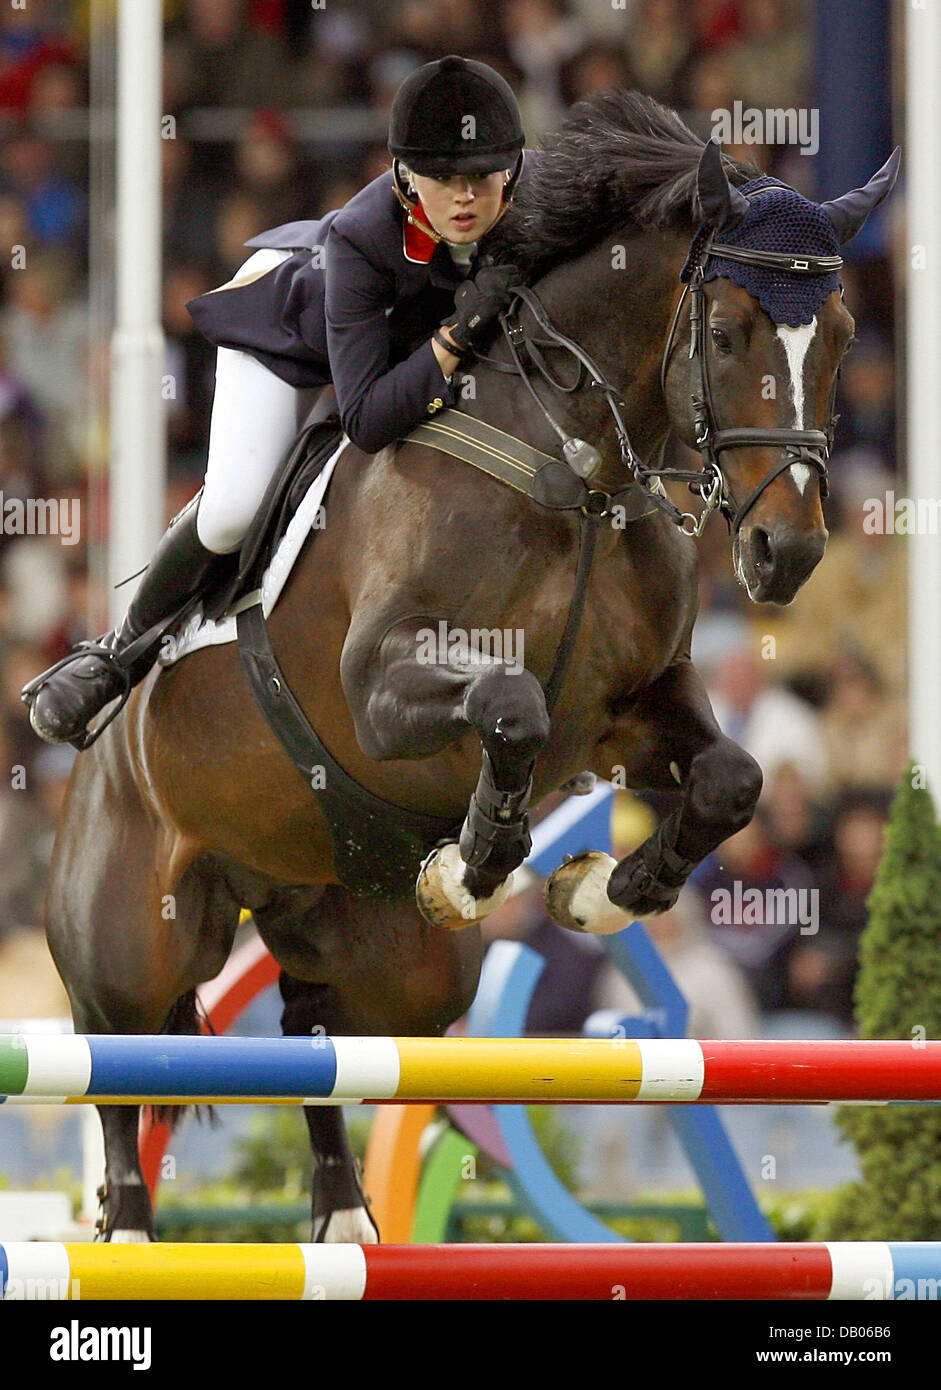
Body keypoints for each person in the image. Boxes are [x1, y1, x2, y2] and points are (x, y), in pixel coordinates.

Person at [23, 54, 525, 747]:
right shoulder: (362, 237)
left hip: (390, 356)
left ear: (513, 171)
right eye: (444, 178)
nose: (465, 196)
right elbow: (370, 418)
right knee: (234, 508)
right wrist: (454, 338)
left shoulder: (530, 218)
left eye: (482, 177)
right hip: (289, 329)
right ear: (407, 176)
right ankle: (118, 652)